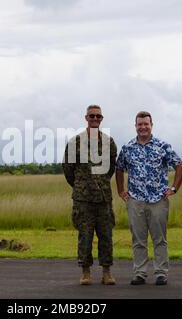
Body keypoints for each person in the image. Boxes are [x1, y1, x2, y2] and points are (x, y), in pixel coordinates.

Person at [116, 111, 182, 286]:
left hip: (158, 200)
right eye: (140, 124)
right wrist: (121, 190)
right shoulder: (128, 147)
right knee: (138, 239)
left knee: (159, 239)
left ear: (151, 125)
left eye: (146, 124)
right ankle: (140, 273)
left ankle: (161, 273)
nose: (143, 127)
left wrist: (174, 188)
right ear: (135, 126)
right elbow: (119, 168)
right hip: (135, 200)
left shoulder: (163, 146)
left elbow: (178, 165)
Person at [62, 105, 117, 285]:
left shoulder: (109, 143)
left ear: (102, 119)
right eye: (91, 116)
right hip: (83, 200)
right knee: (85, 237)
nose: (95, 119)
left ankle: (106, 272)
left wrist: (99, 183)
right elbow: (68, 170)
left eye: (98, 116)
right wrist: (81, 186)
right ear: (86, 117)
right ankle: (85, 272)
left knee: (106, 236)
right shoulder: (74, 142)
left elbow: (111, 169)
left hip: (103, 199)